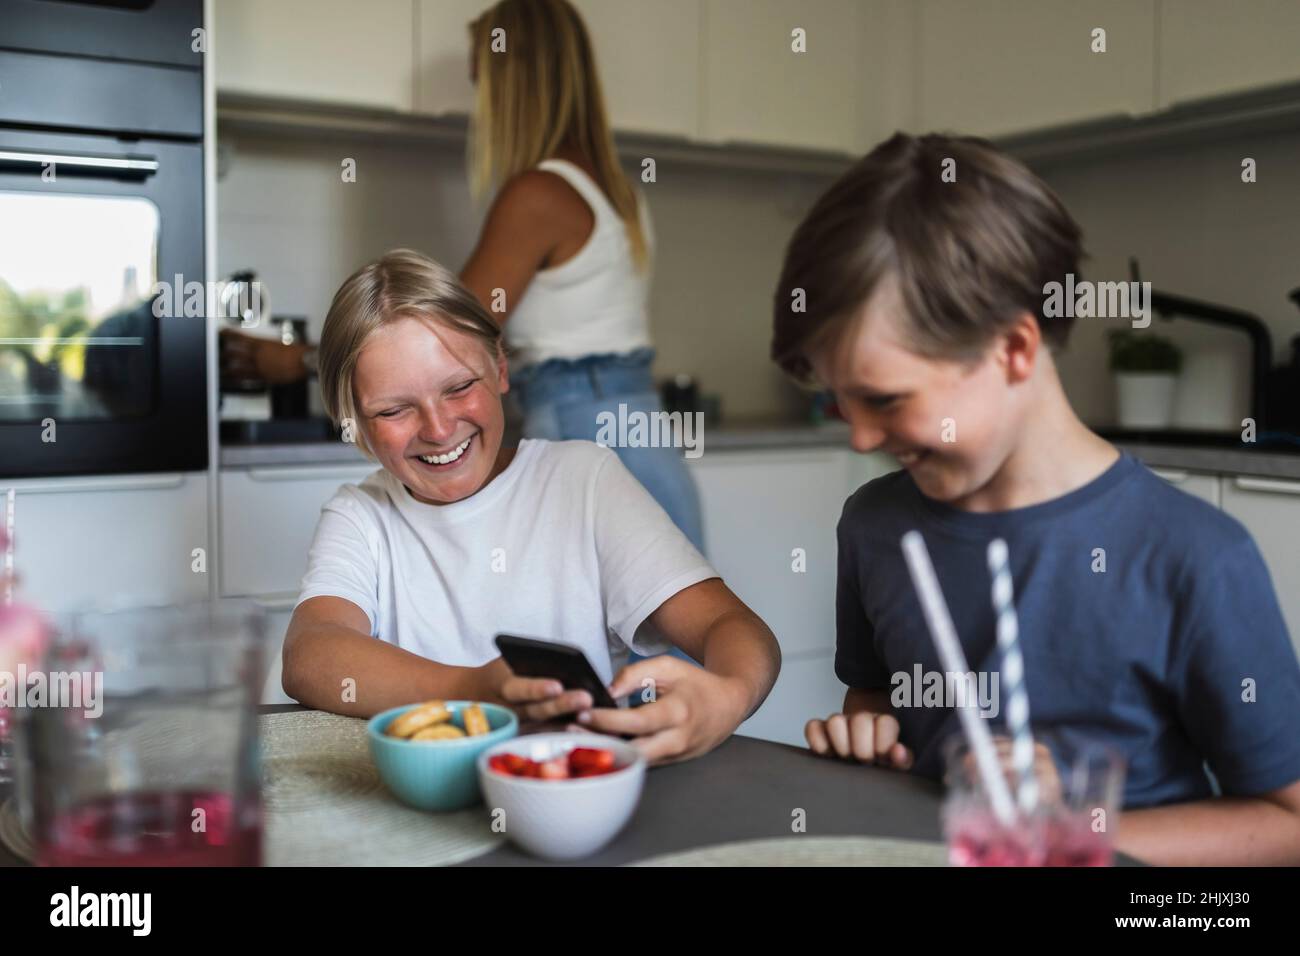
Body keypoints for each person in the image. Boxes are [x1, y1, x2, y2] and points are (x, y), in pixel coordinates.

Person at [772, 132, 1300, 865]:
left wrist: (1067, 834)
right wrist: (870, 735)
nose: (860, 439)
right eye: (841, 404)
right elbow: (877, 699)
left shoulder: (1194, 558)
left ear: (1016, 349)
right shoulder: (875, 527)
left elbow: (1289, 821)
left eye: (885, 399)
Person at [280, 249, 780, 764]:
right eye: (395, 410)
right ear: (354, 423)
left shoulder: (584, 480)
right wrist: (475, 689)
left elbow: (736, 629)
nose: (437, 428)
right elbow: (309, 653)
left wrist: (729, 694)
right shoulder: (361, 516)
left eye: (459, 387)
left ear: (499, 367)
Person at [457, 0, 705, 556]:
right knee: (670, 636)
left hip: (580, 423)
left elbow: (446, 336)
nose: (480, 106)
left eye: (482, 83)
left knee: (602, 638)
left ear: (512, 83)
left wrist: (308, 359)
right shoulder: (619, 192)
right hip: (637, 427)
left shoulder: (537, 195)